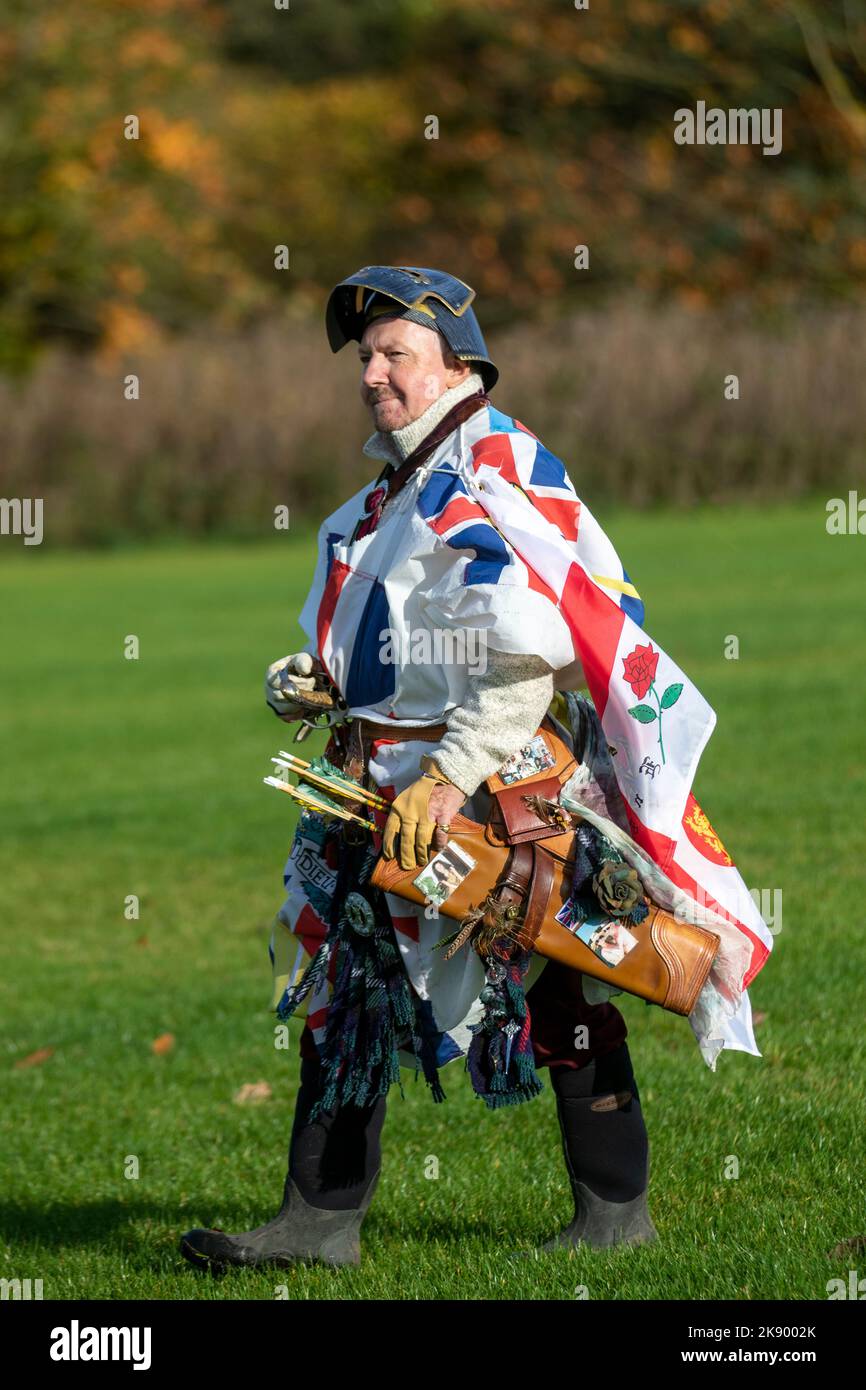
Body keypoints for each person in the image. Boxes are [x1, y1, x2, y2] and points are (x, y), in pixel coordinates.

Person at [180, 266, 657, 1273]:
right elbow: (389, 638)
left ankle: (614, 1214)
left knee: (559, 984)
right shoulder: (382, 498)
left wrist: (449, 778)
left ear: (457, 363)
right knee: (345, 991)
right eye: (365, 355)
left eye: (396, 351)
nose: (372, 372)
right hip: (372, 792)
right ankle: (318, 1223)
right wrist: (315, 681)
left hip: (493, 790)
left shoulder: (494, 466)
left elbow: (529, 649)